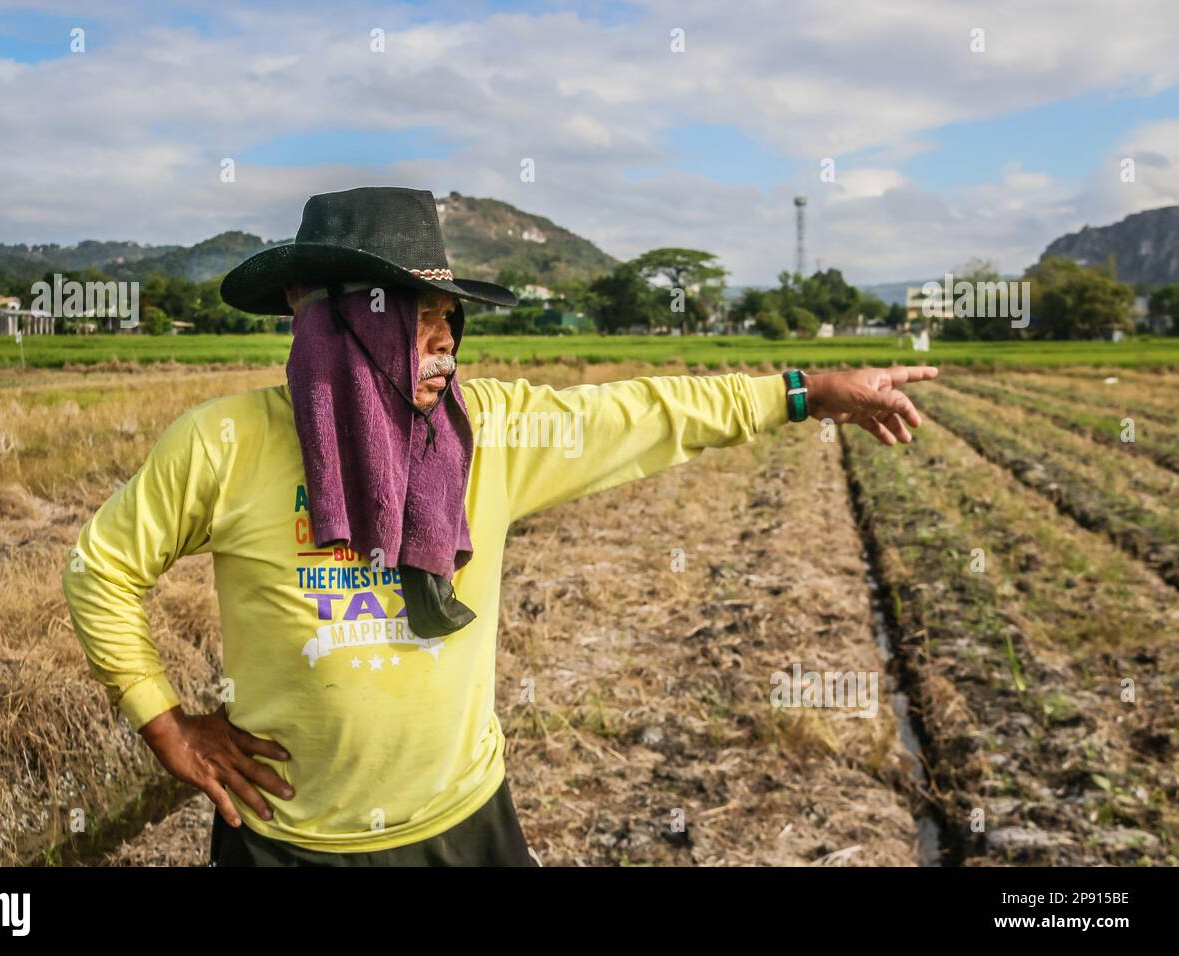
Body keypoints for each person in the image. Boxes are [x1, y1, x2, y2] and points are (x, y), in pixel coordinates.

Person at [61, 186, 938, 866]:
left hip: (463, 827)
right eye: (418, 315)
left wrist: (805, 392)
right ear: (333, 318)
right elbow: (101, 571)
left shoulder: (494, 435)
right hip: (288, 842)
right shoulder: (222, 443)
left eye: (451, 318)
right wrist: (164, 721)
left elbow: (647, 411)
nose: (446, 342)